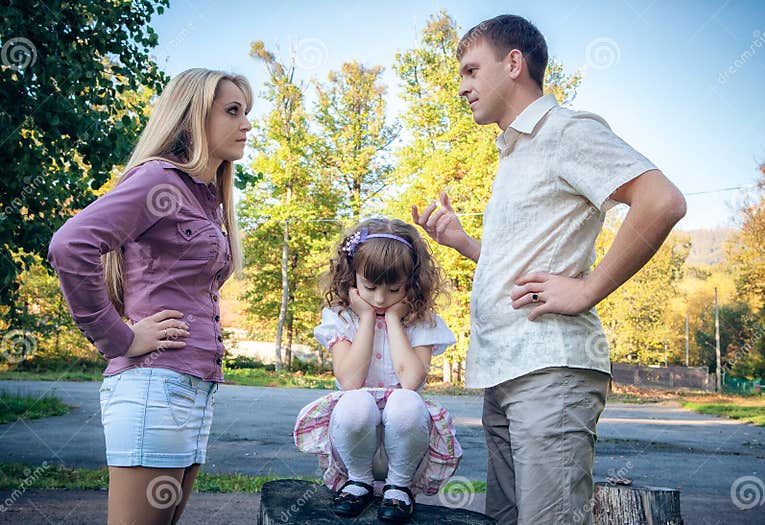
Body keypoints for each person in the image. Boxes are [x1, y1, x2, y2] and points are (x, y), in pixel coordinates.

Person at [412, 15, 687, 525]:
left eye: (472, 71)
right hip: (505, 372)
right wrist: (462, 242)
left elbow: (662, 201)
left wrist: (588, 289)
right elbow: (525, 261)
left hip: (550, 371)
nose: (462, 87)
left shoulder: (563, 131)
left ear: (513, 63)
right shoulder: (516, 152)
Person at [47, 68, 252, 525]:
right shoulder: (159, 180)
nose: (246, 124)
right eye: (233, 111)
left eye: (247, 112)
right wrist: (118, 337)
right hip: (153, 387)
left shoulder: (204, 199)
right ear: (194, 115)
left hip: (193, 389)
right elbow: (71, 244)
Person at [293, 218, 462, 523]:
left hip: (406, 445)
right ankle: (357, 482)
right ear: (352, 279)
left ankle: (399, 488)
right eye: (370, 287)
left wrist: (395, 321)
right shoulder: (342, 318)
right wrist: (367, 318)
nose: (381, 299)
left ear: (411, 284)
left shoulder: (423, 322)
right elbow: (350, 380)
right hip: (354, 444)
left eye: (393, 288)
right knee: (356, 400)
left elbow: (410, 380)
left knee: (406, 401)